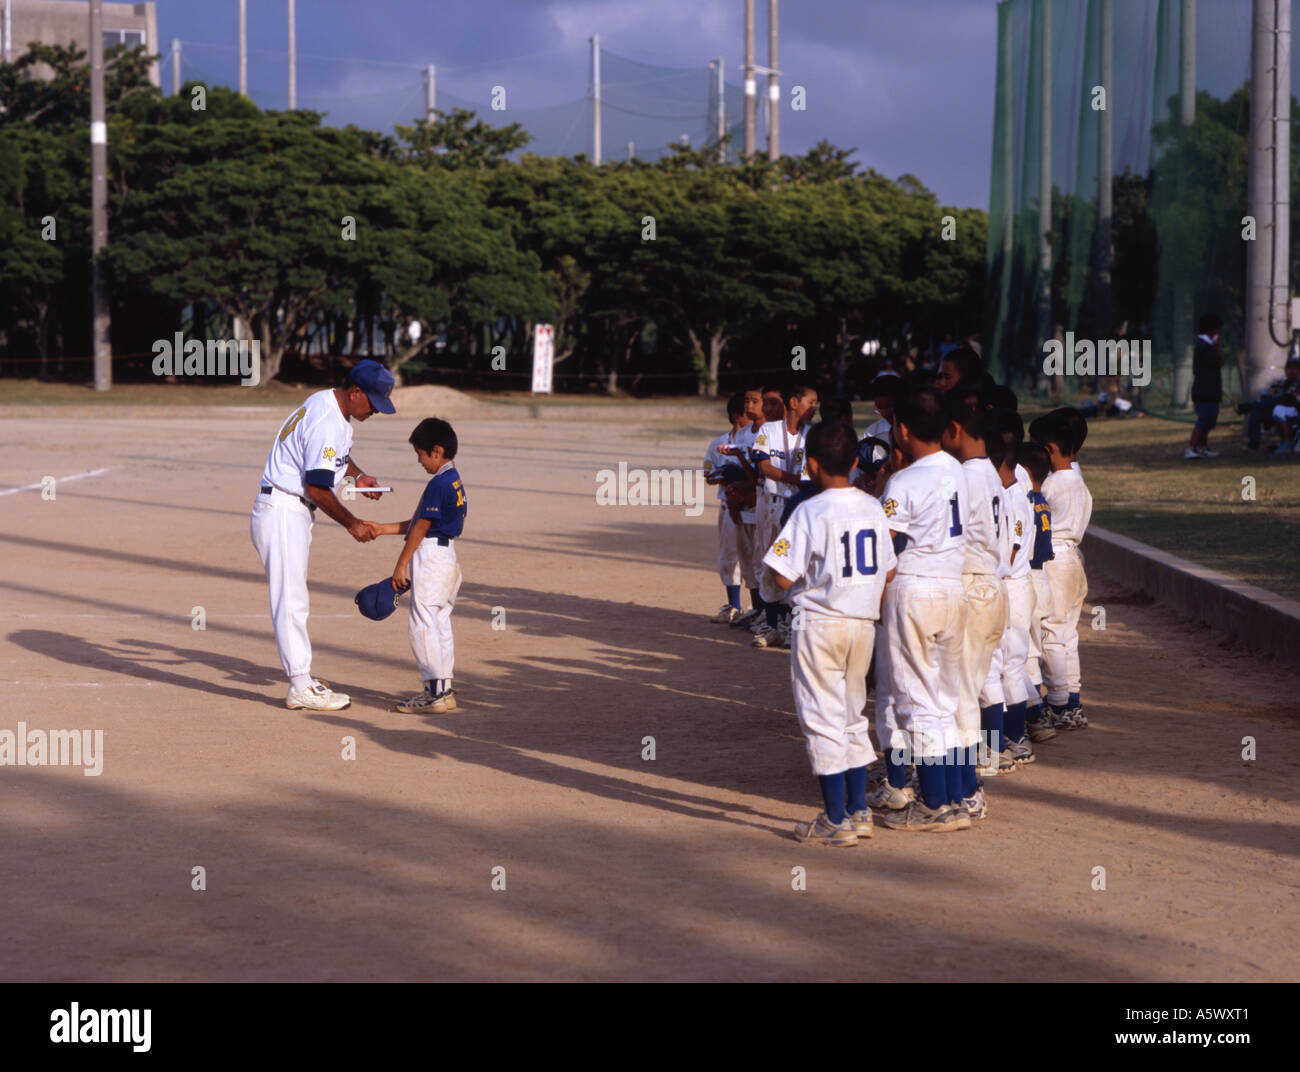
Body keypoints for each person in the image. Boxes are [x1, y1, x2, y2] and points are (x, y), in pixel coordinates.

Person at [763, 421, 896, 846]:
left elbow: (781, 577)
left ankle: (835, 817)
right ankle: (858, 811)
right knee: (853, 714)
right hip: (862, 625)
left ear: (810, 464)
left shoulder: (809, 510)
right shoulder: (873, 507)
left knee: (820, 717)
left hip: (819, 623)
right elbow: (889, 568)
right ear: (856, 462)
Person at [250, 360, 393, 711]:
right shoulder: (329, 420)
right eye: (373, 402)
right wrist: (352, 523)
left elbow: (333, 459)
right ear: (355, 392)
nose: (375, 410)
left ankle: (302, 679)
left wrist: (357, 477)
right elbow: (316, 486)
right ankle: (300, 684)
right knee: (291, 599)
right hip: (284, 509)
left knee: (294, 596)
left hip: (287, 510)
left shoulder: (326, 402)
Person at [874, 383, 972, 833]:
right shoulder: (959, 469)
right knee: (945, 699)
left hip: (914, 589)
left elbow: (884, 544)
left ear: (903, 429)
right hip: (952, 589)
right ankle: (953, 798)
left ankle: (933, 804)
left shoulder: (905, 478)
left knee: (915, 700)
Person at [943, 387, 1011, 804]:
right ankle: (965, 782)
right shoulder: (991, 473)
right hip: (993, 586)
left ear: (955, 430)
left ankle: (967, 789)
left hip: (973, 583)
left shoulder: (965, 476)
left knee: (960, 693)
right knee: (969, 687)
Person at [377, 418, 468, 714]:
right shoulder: (453, 480)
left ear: (436, 451)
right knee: (439, 623)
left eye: (421, 454)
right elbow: (420, 523)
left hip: (430, 558)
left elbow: (421, 527)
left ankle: (433, 693)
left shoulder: (437, 483)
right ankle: (443, 689)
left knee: (422, 624)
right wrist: (381, 528)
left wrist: (400, 565)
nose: (419, 461)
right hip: (447, 557)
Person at [1032, 414, 1093, 730]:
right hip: (1074, 559)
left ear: (1050, 448)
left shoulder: (1051, 484)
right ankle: (1071, 698)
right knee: (1067, 633)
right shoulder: (1080, 483)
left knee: (1052, 634)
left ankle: (1057, 703)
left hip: (1054, 561)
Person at [750, 383, 819, 649]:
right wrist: (794, 479)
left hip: (799, 505)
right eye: (810, 402)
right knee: (770, 563)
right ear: (793, 402)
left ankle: (793, 626)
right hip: (770, 502)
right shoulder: (769, 429)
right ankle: (772, 624)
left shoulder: (812, 434)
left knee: (797, 568)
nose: (814, 408)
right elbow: (764, 466)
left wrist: (798, 485)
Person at [1017, 442, 1057, 742]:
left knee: (1026, 651)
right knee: (1033, 647)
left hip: (1029, 575)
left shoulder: (1025, 499)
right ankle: (1037, 709)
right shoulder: (1041, 498)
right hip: (1041, 576)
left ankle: (1035, 713)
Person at [704, 392, 751, 623]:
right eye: (746, 411)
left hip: (752, 505)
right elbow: (708, 475)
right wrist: (721, 476)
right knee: (728, 556)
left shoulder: (755, 440)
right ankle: (734, 606)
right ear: (736, 416)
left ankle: (758, 608)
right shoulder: (718, 443)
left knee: (754, 556)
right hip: (727, 505)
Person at [1242, 356, 1300, 452]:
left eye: (1295, 368)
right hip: (1276, 410)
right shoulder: (1280, 382)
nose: (1291, 371)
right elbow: (1267, 395)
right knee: (1256, 412)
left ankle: (1287, 441)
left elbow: (1290, 399)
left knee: (1279, 403)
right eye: (1289, 368)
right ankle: (1253, 443)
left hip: (1294, 411)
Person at [1186, 314, 1224, 459]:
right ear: (1212, 330)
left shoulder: (1207, 346)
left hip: (1211, 389)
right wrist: (1216, 347)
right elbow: (1219, 362)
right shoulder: (1204, 346)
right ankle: (1191, 448)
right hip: (1204, 390)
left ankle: (1202, 447)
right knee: (1203, 420)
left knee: (1209, 420)